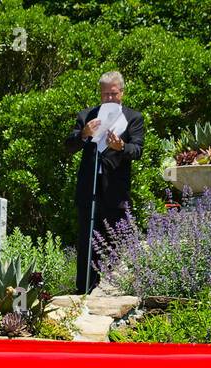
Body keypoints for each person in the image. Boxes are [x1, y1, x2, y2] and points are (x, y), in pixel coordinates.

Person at [66, 71, 145, 293]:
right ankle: (83, 292)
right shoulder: (87, 115)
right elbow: (69, 146)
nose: (109, 99)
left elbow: (137, 150)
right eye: (105, 95)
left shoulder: (133, 118)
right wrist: (83, 133)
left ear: (122, 93)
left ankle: (112, 288)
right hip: (88, 186)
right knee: (86, 240)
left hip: (116, 189)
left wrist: (122, 147)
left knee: (116, 237)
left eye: (113, 94)